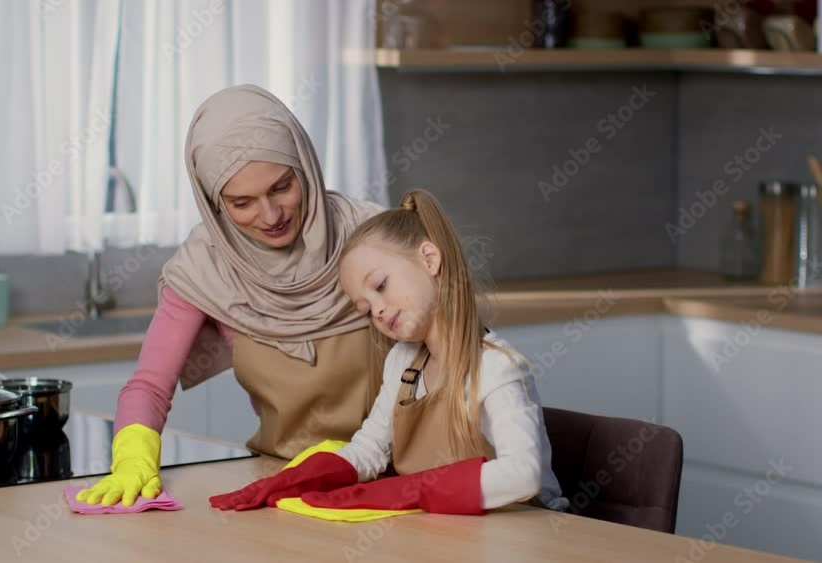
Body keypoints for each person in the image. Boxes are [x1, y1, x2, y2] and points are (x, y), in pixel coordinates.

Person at [76, 85, 385, 508]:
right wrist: (133, 459)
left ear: (306, 167)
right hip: (285, 486)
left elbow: (452, 359)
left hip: (394, 478)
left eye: (282, 187)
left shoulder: (375, 237)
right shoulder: (205, 268)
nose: (271, 215)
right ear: (214, 203)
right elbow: (149, 386)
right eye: (242, 202)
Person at [210, 189, 569, 515]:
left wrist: (409, 490)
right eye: (365, 309)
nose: (378, 311)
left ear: (429, 259)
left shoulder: (496, 367)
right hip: (452, 533)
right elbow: (370, 449)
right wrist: (295, 481)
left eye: (380, 285)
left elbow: (523, 474)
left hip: (531, 531)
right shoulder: (403, 362)